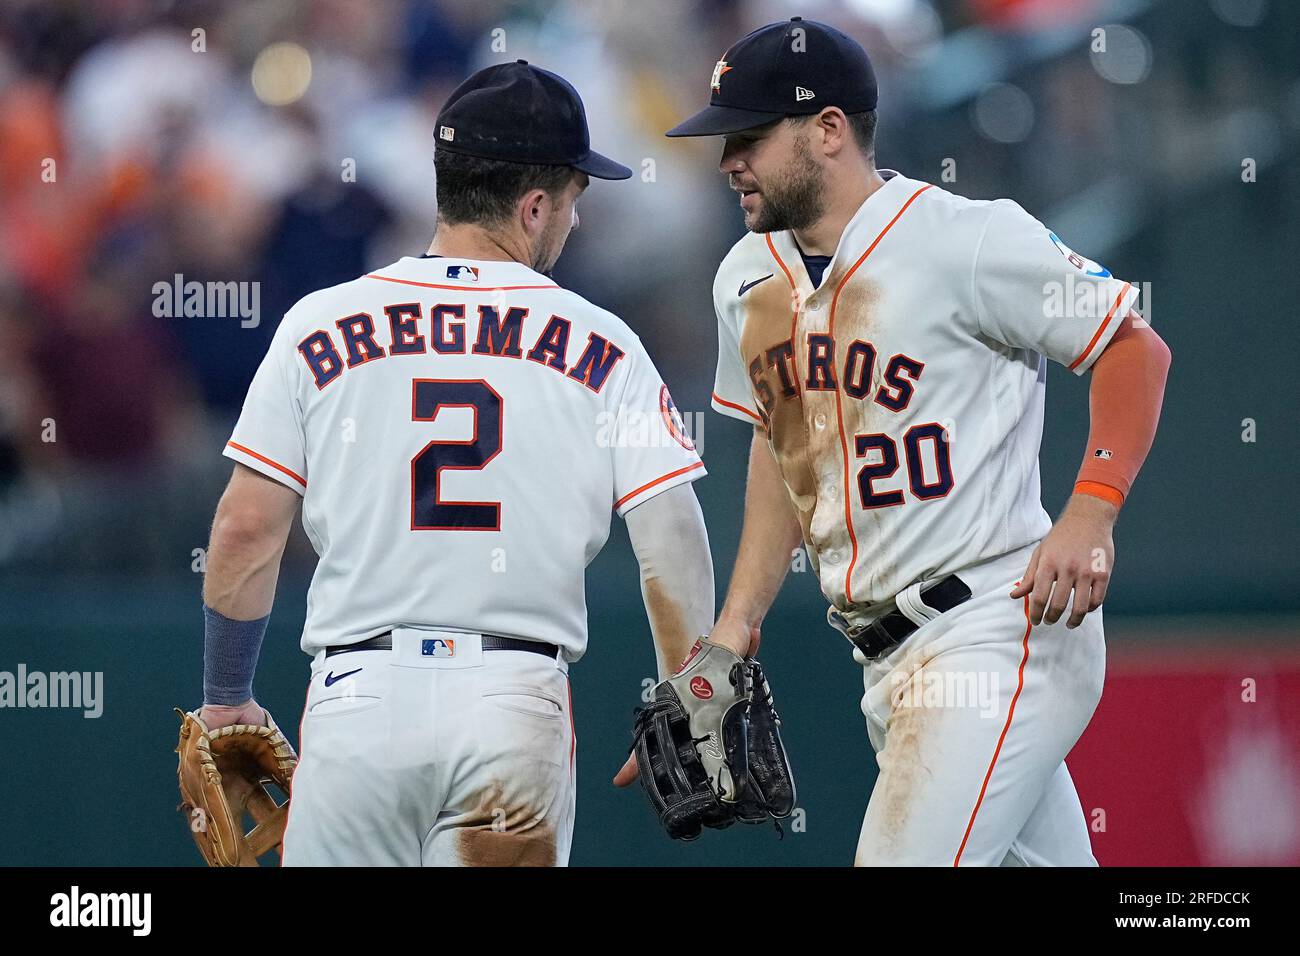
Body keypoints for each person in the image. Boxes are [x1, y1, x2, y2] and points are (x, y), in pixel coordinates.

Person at [661, 18, 1171, 865]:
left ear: (828, 129)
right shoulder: (743, 278)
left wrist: (1091, 512)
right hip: (885, 662)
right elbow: (778, 446)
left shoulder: (965, 238)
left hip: (998, 625)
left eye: (747, 136)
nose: (727, 161)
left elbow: (1132, 345)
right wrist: (733, 629)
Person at [194, 60, 713, 866]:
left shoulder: (319, 323)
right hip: (513, 704)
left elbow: (244, 529)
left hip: (357, 701)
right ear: (535, 205)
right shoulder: (604, 343)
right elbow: (669, 536)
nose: (571, 225)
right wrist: (691, 700)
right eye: (573, 202)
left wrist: (227, 699)